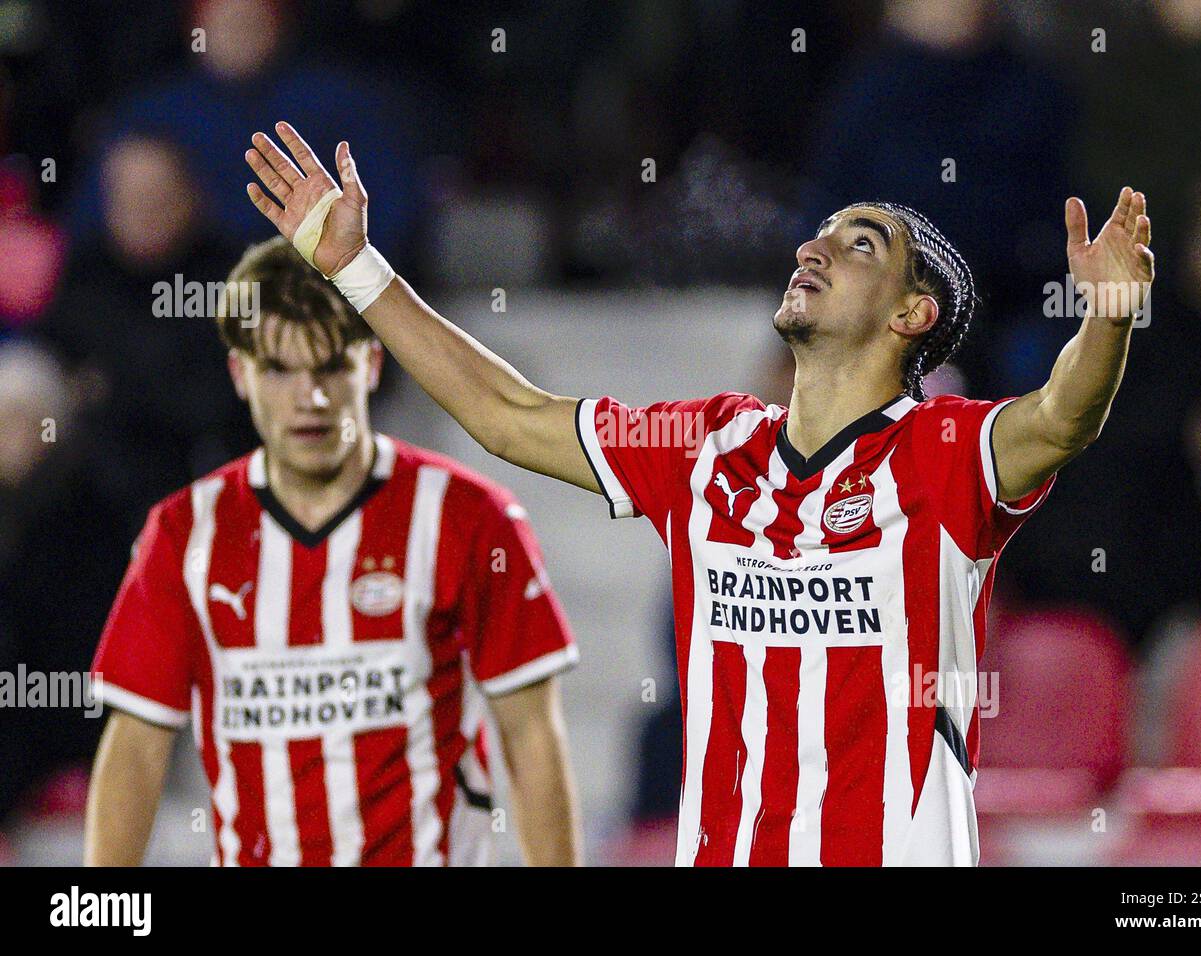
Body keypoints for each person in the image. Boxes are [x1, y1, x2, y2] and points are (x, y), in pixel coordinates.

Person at [241, 122, 1153, 866]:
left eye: (858, 243)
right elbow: (511, 415)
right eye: (820, 231)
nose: (813, 247)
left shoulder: (943, 451)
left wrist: (1107, 316)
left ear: (911, 314)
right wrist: (357, 269)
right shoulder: (705, 445)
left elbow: (1062, 419)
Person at [84, 237, 581, 867]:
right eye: (279, 370)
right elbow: (136, 743)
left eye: (329, 367)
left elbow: (531, 732)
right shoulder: (185, 533)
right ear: (240, 374)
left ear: (371, 364)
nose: (309, 399)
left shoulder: (469, 519)